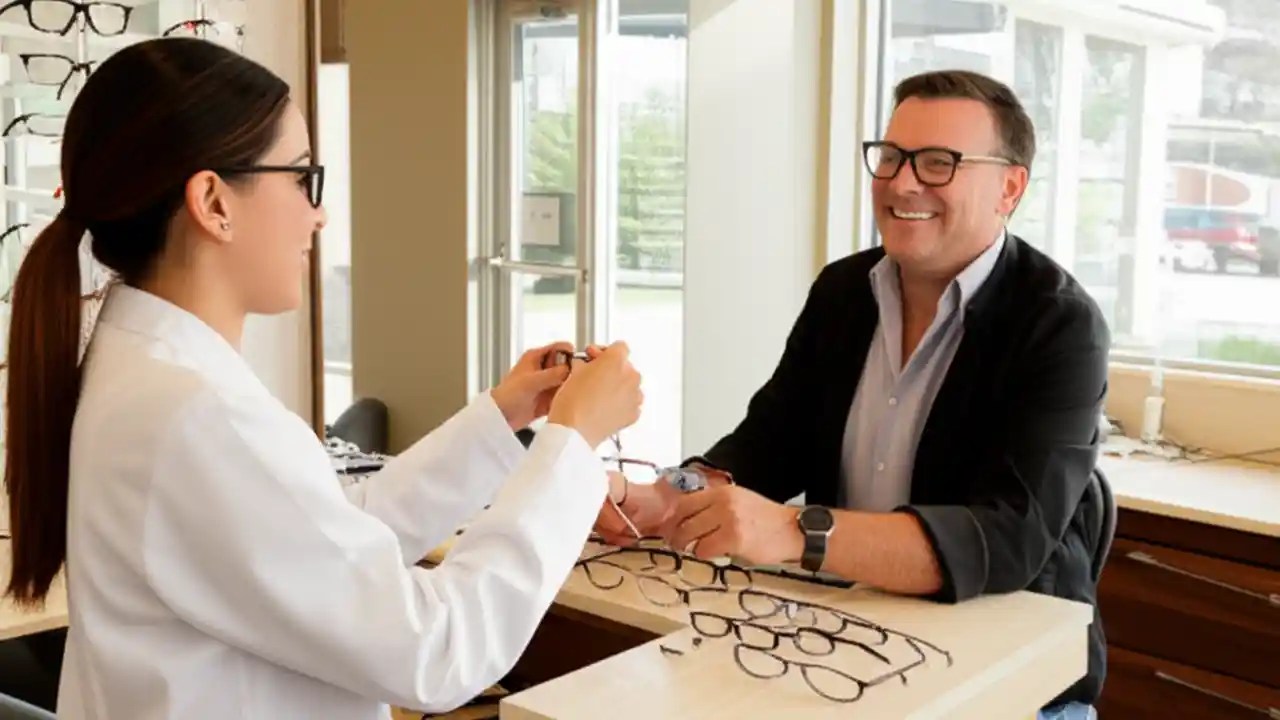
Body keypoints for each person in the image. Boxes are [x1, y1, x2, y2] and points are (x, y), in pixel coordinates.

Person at [3, 38, 643, 719]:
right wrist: (574, 444)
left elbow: (327, 535)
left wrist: (500, 419)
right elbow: (438, 648)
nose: (320, 212)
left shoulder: (143, 369)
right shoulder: (194, 416)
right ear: (214, 201)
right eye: (303, 177)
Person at [597, 69, 1109, 720]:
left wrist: (792, 530)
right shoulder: (844, 290)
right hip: (850, 640)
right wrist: (666, 495)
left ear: (1010, 187)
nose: (901, 183)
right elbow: (769, 442)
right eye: (891, 157)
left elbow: (1006, 538)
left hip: (1006, 676)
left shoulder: (1060, 323)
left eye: (937, 162)